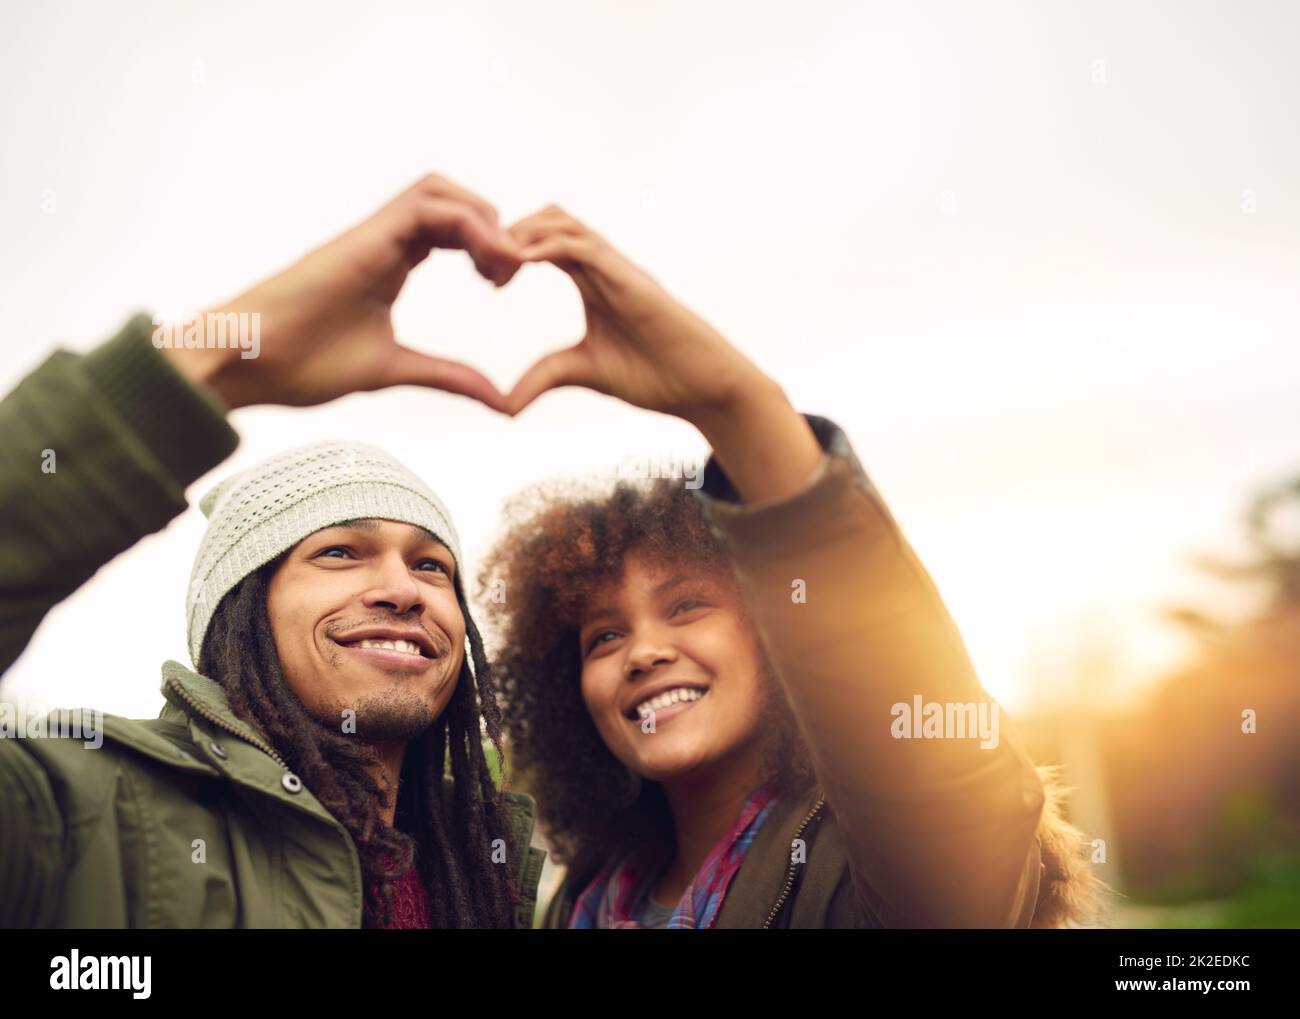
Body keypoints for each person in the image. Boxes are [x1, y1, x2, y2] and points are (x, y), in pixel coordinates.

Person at [481, 207, 1106, 927]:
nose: (644, 651)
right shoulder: (578, 901)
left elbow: (922, 740)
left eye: (686, 605)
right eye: (603, 637)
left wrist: (735, 405)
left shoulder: (885, 869)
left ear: (779, 637)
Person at [0, 174, 548, 928]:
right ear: (241, 613)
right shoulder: (79, 816)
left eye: (431, 564)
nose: (402, 588)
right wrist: (208, 364)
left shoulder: (489, 877)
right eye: (339, 553)